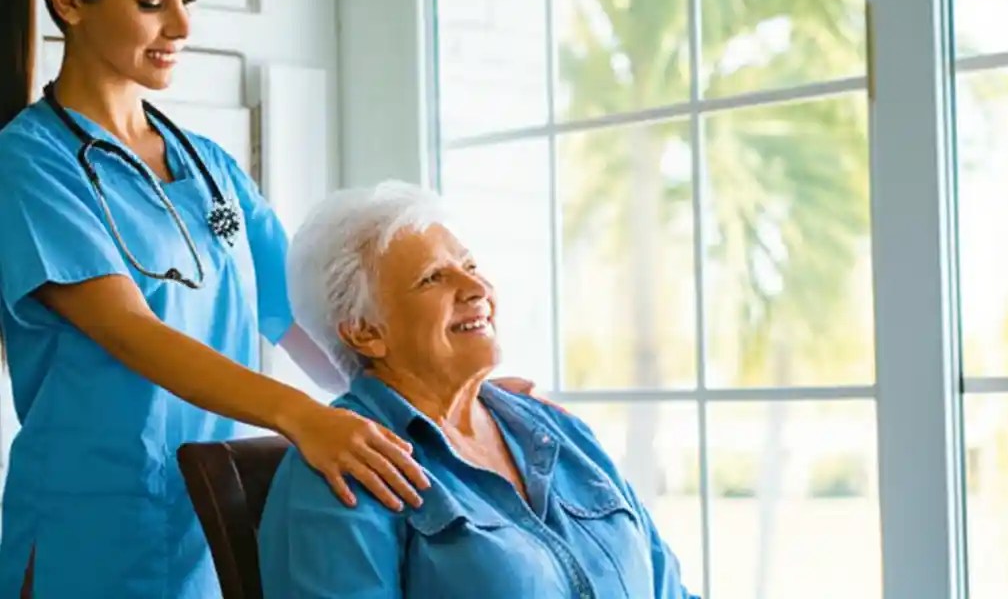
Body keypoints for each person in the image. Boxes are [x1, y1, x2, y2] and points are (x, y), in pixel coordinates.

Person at [0, 0, 536, 596]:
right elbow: (131, 332)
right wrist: (302, 417)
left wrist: (462, 406)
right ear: (69, 0)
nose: (182, 28)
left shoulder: (208, 169)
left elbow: (305, 321)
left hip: (206, 530)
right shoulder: (29, 163)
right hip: (90, 536)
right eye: (151, 3)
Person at [258, 181, 697, 599]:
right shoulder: (346, 468)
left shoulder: (557, 430)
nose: (476, 288)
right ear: (365, 331)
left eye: (469, 266)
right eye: (433, 278)